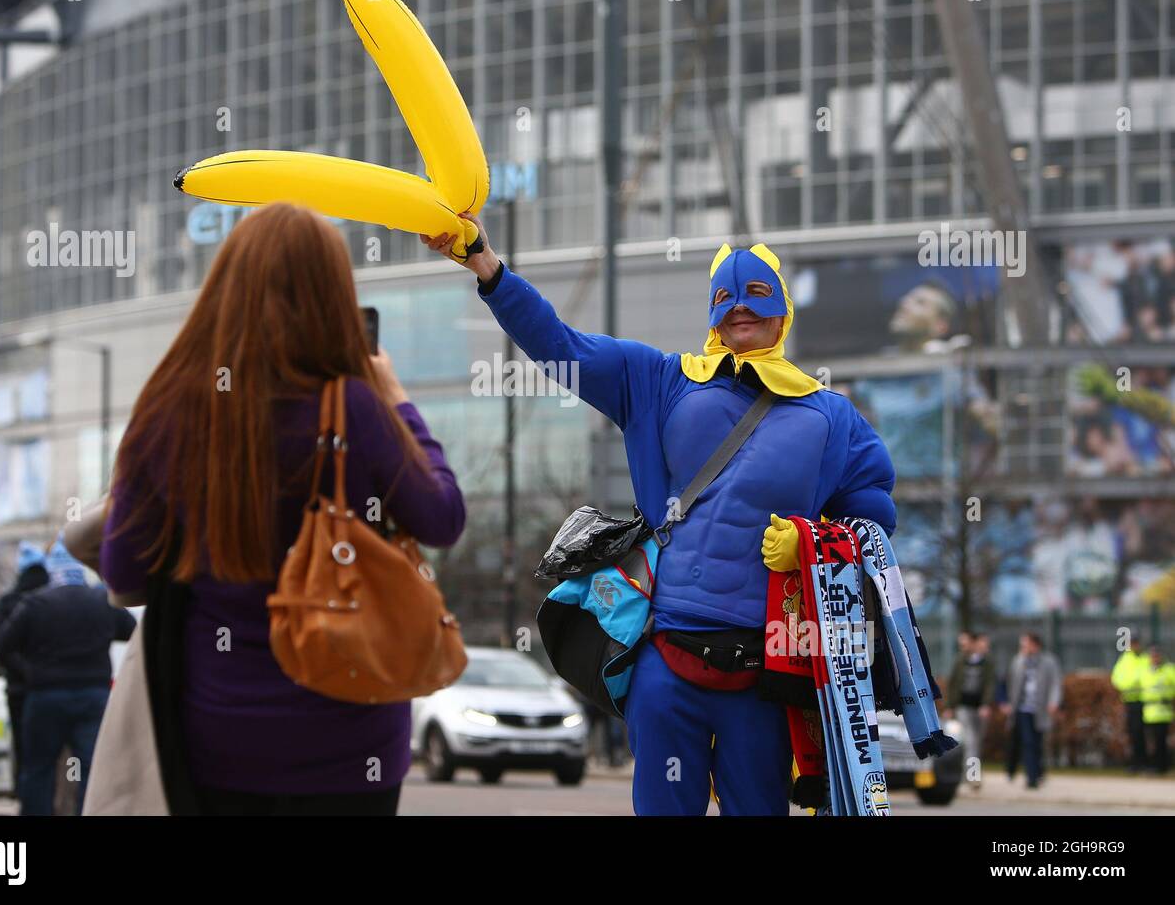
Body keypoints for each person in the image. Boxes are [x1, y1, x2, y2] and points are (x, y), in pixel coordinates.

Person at [422, 213, 896, 816]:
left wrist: (815, 544)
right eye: (726, 298)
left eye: (757, 297)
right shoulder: (661, 380)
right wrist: (487, 267)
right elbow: (560, 345)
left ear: (784, 312)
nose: (740, 309)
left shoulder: (835, 419)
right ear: (711, 311)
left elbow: (875, 532)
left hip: (765, 680)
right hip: (666, 662)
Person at [101, 203, 466, 816]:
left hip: (218, 744)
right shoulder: (353, 405)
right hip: (352, 746)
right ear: (332, 296)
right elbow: (442, 516)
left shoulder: (170, 409)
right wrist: (397, 400)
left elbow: (124, 575)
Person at [0, 538, 137, 815]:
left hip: (45, 696)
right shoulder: (100, 599)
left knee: (38, 770)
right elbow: (130, 629)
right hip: (93, 696)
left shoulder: (35, 603)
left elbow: (3, 643)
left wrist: (29, 669)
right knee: (92, 770)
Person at [0, 541, 50, 782]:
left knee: (28, 759)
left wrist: (24, 671)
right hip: (53, 687)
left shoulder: (7, 603)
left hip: (20, 690)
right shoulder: (52, 599)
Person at [1003, 632, 1062, 789]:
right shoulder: (1018, 661)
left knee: (1037, 743)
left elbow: (1055, 684)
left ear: (1036, 645)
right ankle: (1032, 778)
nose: (1023, 648)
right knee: (1028, 742)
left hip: (1040, 710)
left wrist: (1053, 702)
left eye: (1026, 644)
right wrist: (1008, 704)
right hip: (1022, 709)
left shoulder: (1049, 662)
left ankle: (1038, 772)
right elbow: (1008, 682)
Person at [948, 631, 995, 788]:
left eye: (965, 643)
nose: (963, 647)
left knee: (975, 742)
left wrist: (986, 704)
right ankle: (972, 776)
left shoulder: (986, 662)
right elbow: (953, 683)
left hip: (979, 707)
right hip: (963, 706)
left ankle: (965, 774)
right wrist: (950, 706)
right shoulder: (960, 661)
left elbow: (990, 684)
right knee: (971, 740)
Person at [1111, 636, 1150, 773]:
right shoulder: (1125, 660)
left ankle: (1147, 763)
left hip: (1147, 701)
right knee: (1134, 733)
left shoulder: (1146, 658)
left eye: (1136, 643)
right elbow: (1117, 678)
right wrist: (1135, 682)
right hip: (1131, 701)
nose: (1135, 646)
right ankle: (1136, 762)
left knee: (1146, 734)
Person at [1140, 647, 1175, 774]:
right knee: (1151, 742)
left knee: (1161, 741)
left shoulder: (1168, 670)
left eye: (1157, 656)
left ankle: (1162, 766)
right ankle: (1153, 765)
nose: (1155, 659)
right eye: (1152, 656)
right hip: (1149, 713)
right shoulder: (1145, 671)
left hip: (1164, 712)